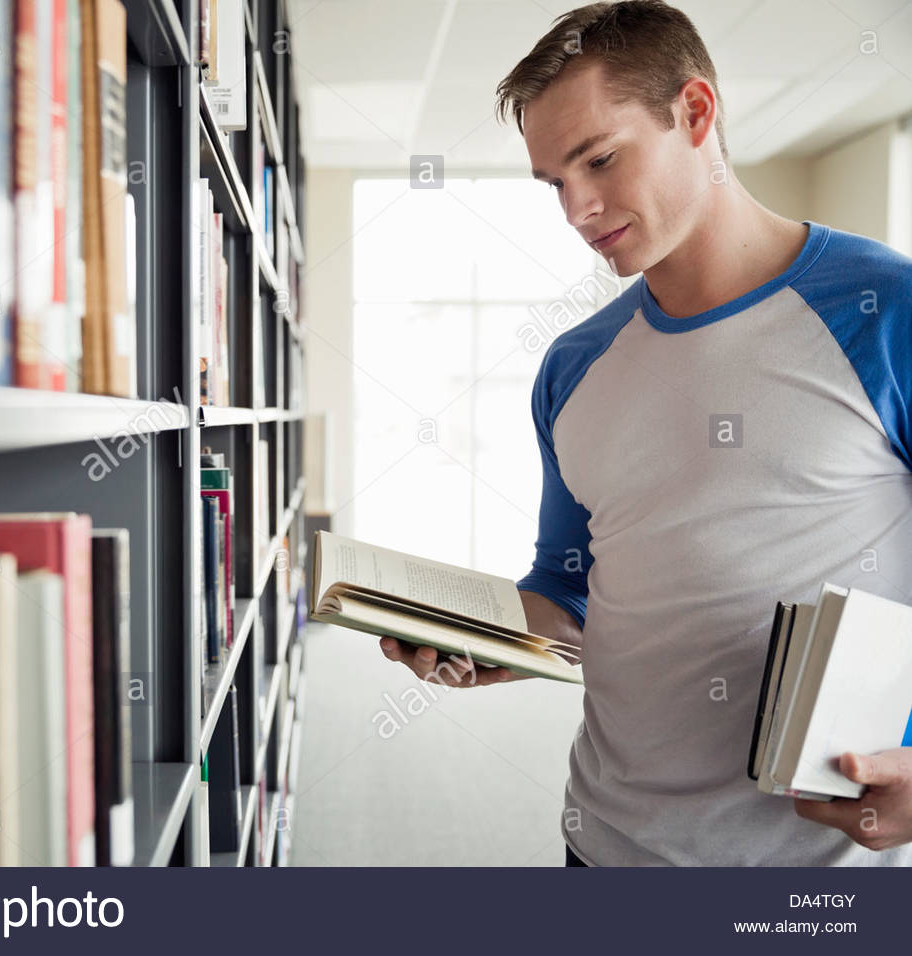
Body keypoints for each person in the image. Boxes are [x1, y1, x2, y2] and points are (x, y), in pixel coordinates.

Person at [379, 0, 912, 866]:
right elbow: (569, 587)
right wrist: (481, 637)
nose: (577, 209)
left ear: (695, 113)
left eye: (599, 159)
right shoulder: (574, 364)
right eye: (555, 181)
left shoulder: (886, 310)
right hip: (608, 848)